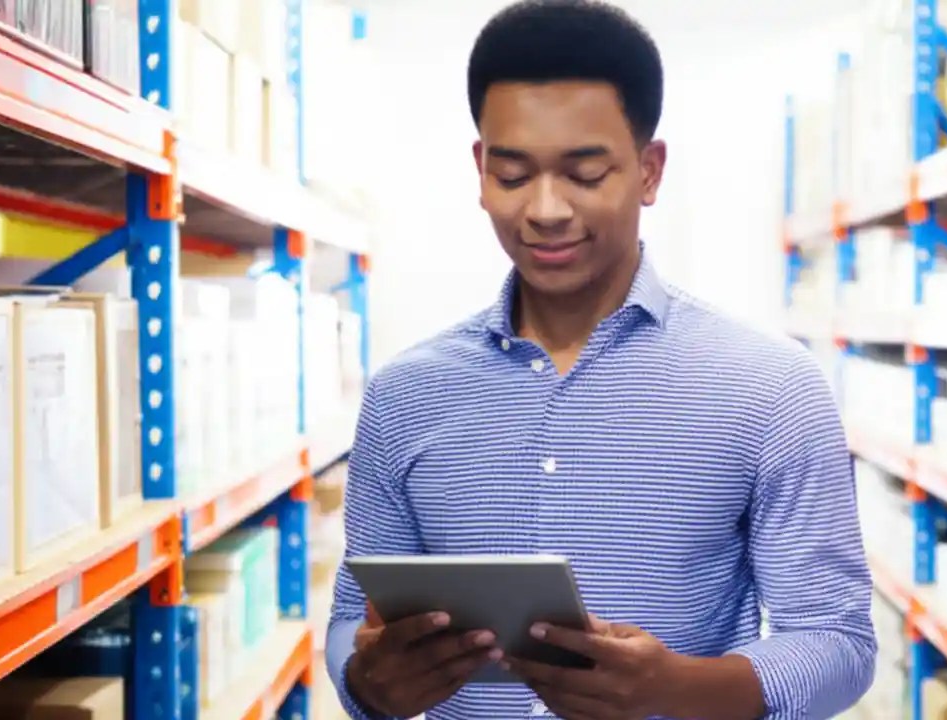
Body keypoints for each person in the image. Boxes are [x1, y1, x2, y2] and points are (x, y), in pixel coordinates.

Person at [325, 1, 877, 718]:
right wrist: (366, 684)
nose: (545, 209)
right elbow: (351, 619)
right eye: (513, 174)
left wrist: (675, 687)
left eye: (585, 173)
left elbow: (837, 640)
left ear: (649, 171)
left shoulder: (771, 388)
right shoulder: (404, 396)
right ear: (480, 169)